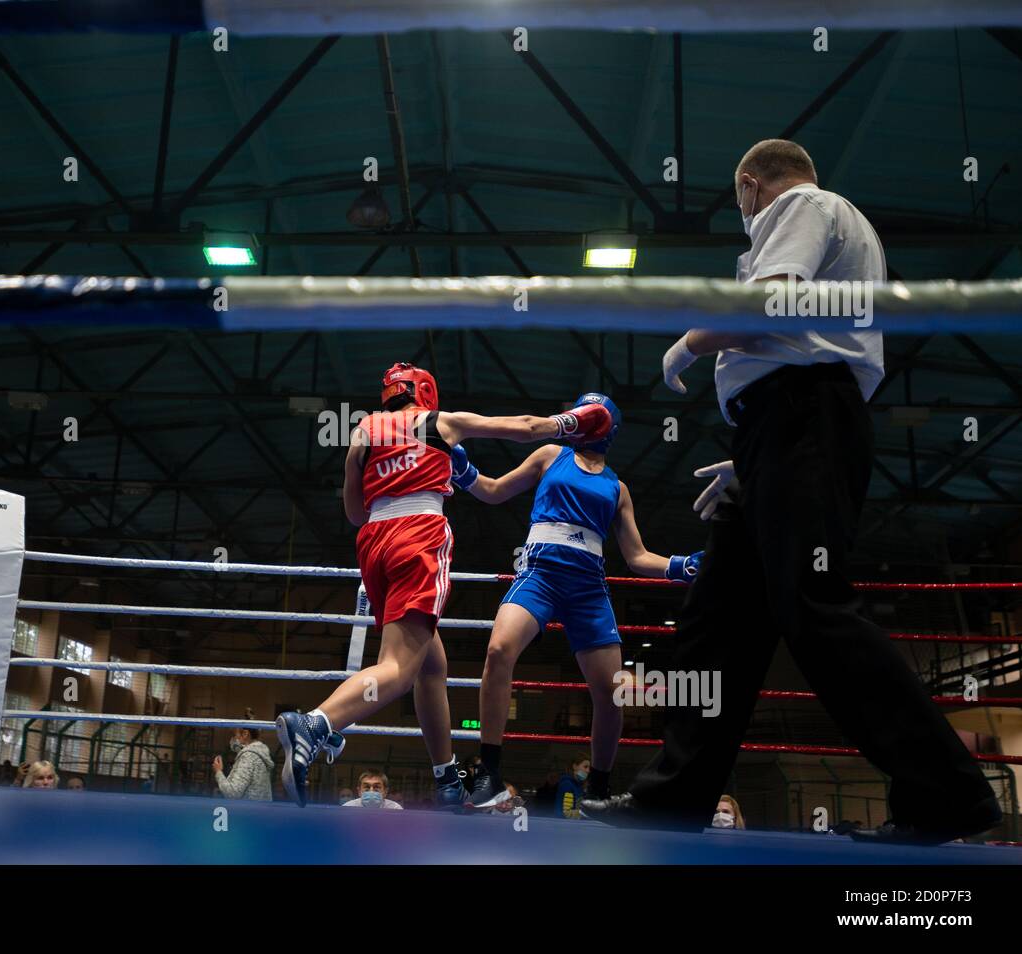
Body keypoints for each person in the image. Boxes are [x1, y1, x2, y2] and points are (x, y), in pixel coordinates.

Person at [587, 138, 1001, 844]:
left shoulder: (803, 204)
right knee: (716, 622)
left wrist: (690, 341)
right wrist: (754, 460)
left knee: (813, 606)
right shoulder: (844, 225)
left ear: (751, 185)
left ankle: (947, 794)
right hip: (785, 430)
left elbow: (772, 304)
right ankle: (674, 797)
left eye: (744, 202)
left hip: (802, 421)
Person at [276, 362, 613, 808]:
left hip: (373, 544)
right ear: (425, 392)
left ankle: (446, 778)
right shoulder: (439, 422)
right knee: (397, 671)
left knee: (429, 665)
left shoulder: (362, 432)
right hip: (418, 537)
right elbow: (527, 428)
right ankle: (317, 725)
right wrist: (574, 421)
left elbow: (355, 512)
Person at [450, 392, 702, 810]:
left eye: (589, 414)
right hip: (540, 575)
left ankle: (599, 789)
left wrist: (680, 566)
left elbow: (637, 556)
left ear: (605, 425)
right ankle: (489, 774)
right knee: (498, 650)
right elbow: (494, 491)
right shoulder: (551, 454)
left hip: (588, 588)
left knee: (611, 692)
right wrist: (465, 471)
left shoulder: (617, 488)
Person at [213, 721, 275, 801]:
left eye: (234, 735)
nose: (232, 740)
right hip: (260, 810)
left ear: (245, 734)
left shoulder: (248, 757)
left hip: (247, 811)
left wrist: (218, 772)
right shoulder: (259, 753)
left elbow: (233, 793)